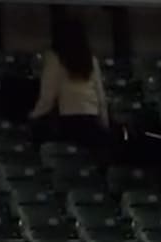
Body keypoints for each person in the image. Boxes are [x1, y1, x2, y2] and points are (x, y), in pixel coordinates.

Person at [29, 15, 109, 153]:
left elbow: (48, 96)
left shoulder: (55, 58)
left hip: (69, 122)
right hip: (92, 118)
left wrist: (34, 116)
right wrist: (104, 122)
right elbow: (100, 95)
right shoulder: (90, 59)